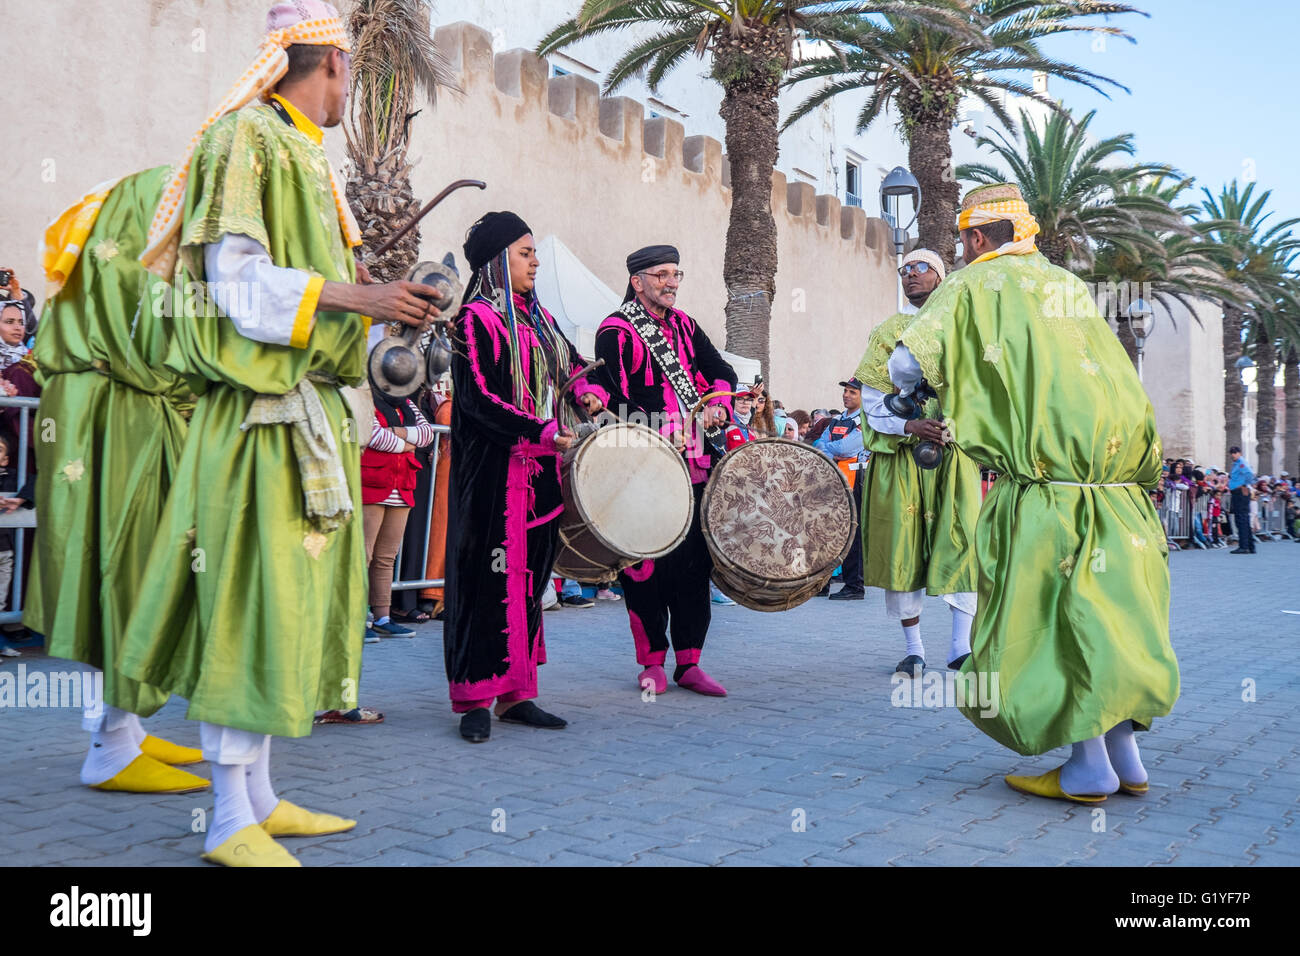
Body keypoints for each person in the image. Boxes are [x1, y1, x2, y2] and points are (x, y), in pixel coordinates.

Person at [119, 1, 443, 866]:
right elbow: (235, 283)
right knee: (245, 607)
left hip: (303, 416)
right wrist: (357, 297)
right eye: (351, 77)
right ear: (330, 67)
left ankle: (257, 797)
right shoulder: (247, 138)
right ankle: (227, 821)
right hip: (257, 422)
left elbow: (305, 281)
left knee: (285, 611)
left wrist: (375, 290)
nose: (350, 94)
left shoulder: (301, 149)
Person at [889, 183, 1178, 803]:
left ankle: (1088, 768)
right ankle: (1126, 759)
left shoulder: (971, 286)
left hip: (1046, 492)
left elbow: (905, 365)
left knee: (1054, 621)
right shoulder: (1068, 286)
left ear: (973, 238)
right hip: (1117, 492)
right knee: (1114, 618)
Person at [29, 169, 213, 796]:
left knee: (120, 575)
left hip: (109, 412)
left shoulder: (101, 294)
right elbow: (167, 341)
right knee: (120, 575)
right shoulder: (116, 345)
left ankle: (124, 727)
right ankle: (108, 744)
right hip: (113, 418)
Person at [443, 212, 606, 743]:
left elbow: (570, 367)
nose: (535, 262)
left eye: (535, 252)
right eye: (524, 252)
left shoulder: (537, 319)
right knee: (485, 584)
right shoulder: (475, 319)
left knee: (529, 585)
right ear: (496, 261)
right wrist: (539, 428)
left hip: (538, 478)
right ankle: (474, 697)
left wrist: (586, 393)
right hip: (491, 476)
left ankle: (517, 694)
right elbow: (478, 400)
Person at [595, 244, 737, 697]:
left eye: (676, 274)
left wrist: (716, 402)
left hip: (693, 467)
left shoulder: (686, 326)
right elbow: (611, 399)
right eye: (661, 275)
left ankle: (690, 661)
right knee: (645, 569)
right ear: (638, 282)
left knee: (694, 566)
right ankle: (652, 662)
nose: (671, 282)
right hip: (644, 469)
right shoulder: (616, 331)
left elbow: (721, 371)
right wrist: (659, 429)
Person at [855, 248, 979, 675]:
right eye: (904, 270)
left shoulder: (965, 328)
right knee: (903, 549)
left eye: (921, 268)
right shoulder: (887, 331)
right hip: (902, 459)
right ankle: (915, 649)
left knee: (961, 541)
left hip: (953, 457)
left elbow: (984, 392)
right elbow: (871, 398)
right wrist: (910, 428)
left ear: (941, 277)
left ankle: (960, 647)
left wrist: (957, 427)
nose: (910, 275)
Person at [361, 386, 438, 639]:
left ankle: (382, 616)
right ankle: (357, 618)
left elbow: (427, 434)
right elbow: (372, 436)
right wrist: (407, 444)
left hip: (401, 487)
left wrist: (396, 433)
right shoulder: (364, 397)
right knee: (363, 555)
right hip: (371, 485)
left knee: (386, 557)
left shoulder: (407, 402)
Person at [813, 378, 868, 600]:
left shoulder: (866, 421)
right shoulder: (836, 420)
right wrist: (832, 451)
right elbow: (819, 444)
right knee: (827, 532)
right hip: (833, 480)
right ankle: (823, 582)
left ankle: (855, 585)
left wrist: (831, 450)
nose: (846, 395)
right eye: (845, 391)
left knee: (853, 534)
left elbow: (848, 447)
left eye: (852, 392)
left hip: (855, 481)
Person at [1228, 445, 1255, 553]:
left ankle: (1244, 546)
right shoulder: (1236, 463)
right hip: (1237, 492)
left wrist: (1244, 485)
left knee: (1241, 519)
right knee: (1244, 519)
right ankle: (1250, 546)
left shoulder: (1241, 463)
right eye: (1232, 453)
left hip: (1240, 492)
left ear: (1240, 453)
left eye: (1235, 452)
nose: (1233, 455)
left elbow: (1249, 474)